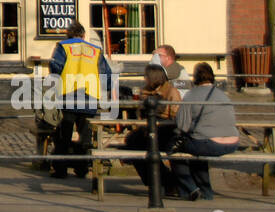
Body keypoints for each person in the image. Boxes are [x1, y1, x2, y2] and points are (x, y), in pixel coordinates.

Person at [49, 20, 113, 179]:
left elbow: (55, 67)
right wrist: (107, 89)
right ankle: (82, 168)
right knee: (85, 136)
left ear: (68, 34)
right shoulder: (95, 50)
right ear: (84, 35)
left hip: (68, 95)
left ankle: (61, 170)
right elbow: (106, 73)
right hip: (90, 96)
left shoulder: (63, 47)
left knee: (64, 134)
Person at [170, 62, 239, 201]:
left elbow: (182, 125)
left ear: (195, 78)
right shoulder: (223, 95)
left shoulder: (191, 95)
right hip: (233, 142)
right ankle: (207, 193)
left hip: (209, 143)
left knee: (174, 151)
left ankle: (190, 189)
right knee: (197, 151)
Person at [124, 63, 181, 193]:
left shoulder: (171, 91)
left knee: (137, 144)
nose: (144, 79)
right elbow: (140, 114)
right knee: (132, 142)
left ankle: (165, 181)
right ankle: (159, 181)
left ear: (153, 77)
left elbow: (176, 115)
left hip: (165, 130)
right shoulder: (145, 91)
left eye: (146, 76)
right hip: (148, 129)